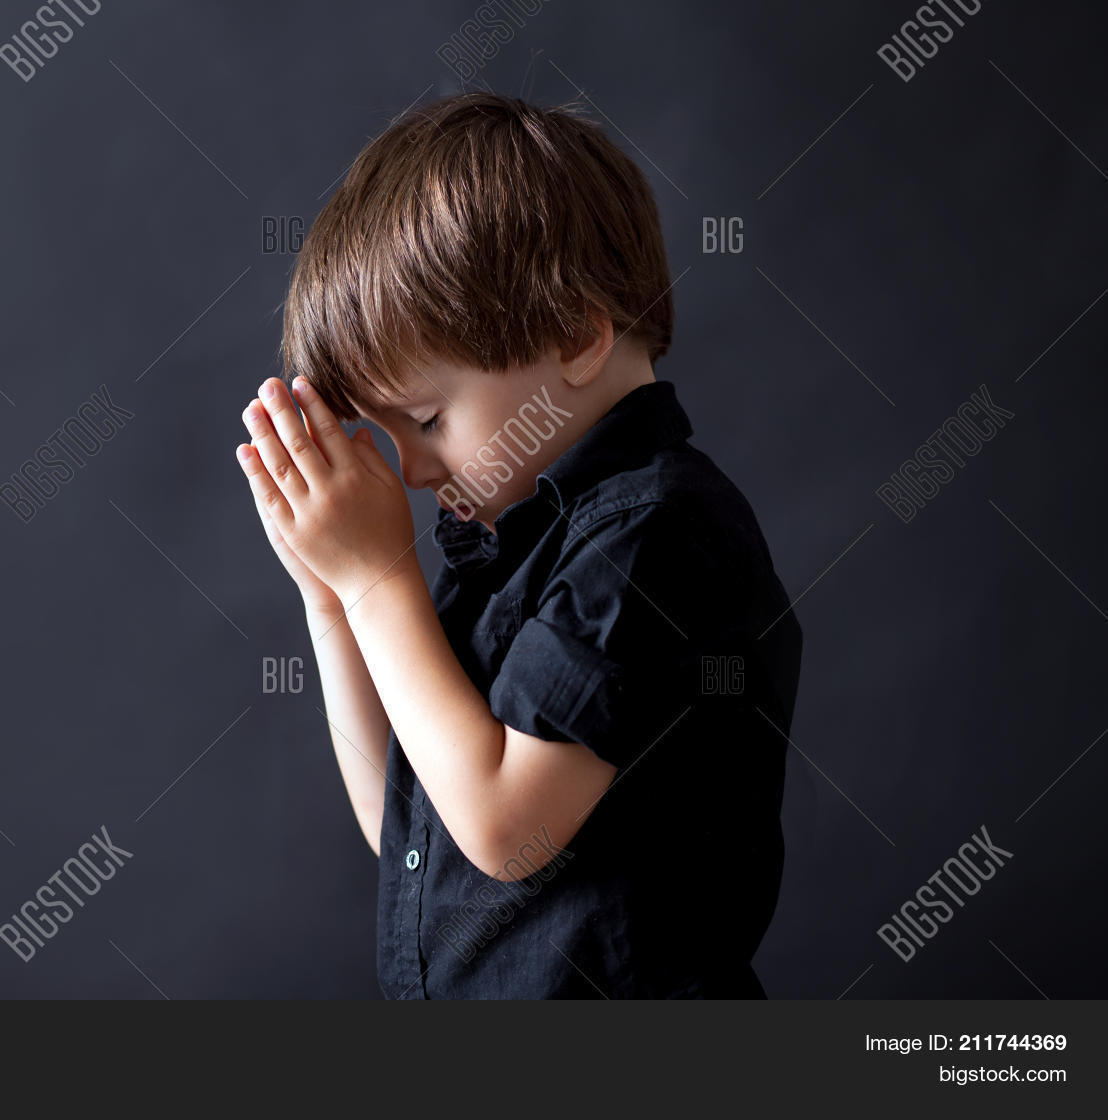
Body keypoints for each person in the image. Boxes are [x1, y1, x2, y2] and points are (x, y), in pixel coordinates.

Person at [233, 92, 803, 998]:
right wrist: (332, 597)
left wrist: (382, 581)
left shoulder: (655, 537)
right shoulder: (508, 545)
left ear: (576, 336)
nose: (413, 471)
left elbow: (504, 830)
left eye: (425, 419)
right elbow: (413, 824)